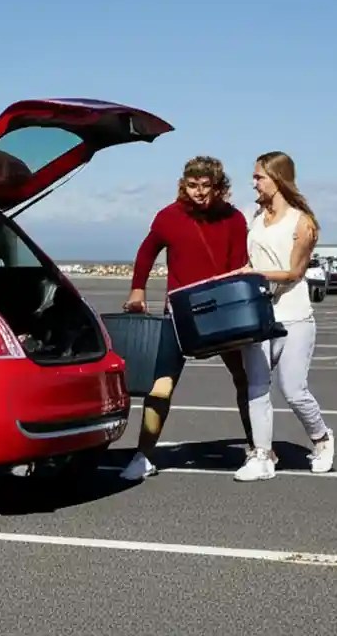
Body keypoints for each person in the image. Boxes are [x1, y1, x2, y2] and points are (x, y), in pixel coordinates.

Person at [119, 155, 254, 481]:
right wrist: (138, 290)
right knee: (160, 387)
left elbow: (240, 263)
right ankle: (143, 455)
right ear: (184, 185)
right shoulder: (169, 216)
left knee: (246, 380)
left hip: (223, 312)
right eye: (193, 186)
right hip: (179, 314)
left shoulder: (234, 219)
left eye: (207, 186)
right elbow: (147, 251)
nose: (199, 193)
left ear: (219, 187)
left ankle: (257, 448)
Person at [232, 151, 335, 481]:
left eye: (259, 176)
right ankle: (261, 456)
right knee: (257, 387)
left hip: (294, 316)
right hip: (257, 316)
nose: (254, 182)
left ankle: (322, 439)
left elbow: (294, 271)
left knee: (293, 390)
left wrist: (255, 274)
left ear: (278, 178)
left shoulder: (302, 222)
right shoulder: (254, 217)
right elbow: (248, 257)